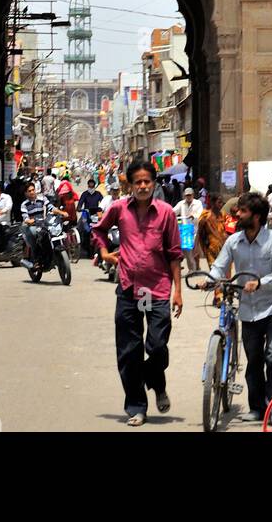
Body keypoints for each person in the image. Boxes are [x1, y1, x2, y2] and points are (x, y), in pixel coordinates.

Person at [92, 159, 183, 427]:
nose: (143, 186)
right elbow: (99, 230)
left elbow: (175, 254)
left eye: (147, 181)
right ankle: (137, 406)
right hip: (129, 290)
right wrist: (104, 252)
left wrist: (178, 291)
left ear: (153, 183)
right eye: (138, 182)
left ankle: (157, 381)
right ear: (130, 185)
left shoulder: (166, 213)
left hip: (157, 289)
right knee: (128, 352)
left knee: (156, 346)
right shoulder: (119, 209)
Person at [206, 191, 272, 422]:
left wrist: (261, 283)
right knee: (254, 361)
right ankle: (257, 408)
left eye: (243, 211)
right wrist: (210, 279)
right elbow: (220, 266)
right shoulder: (234, 241)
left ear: (257, 216)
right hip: (247, 311)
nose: (237, 214)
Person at [173, 187, 203, 272]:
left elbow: (200, 213)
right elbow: (174, 211)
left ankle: (196, 266)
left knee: (195, 250)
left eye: (190, 195)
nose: (188, 197)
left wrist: (194, 215)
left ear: (193, 195)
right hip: (185, 230)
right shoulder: (181, 203)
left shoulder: (198, 203)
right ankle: (192, 268)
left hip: (195, 229)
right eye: (187, 195)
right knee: (187, 249)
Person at [196, 195, 228, 269]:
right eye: (219, 202)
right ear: (212, 203)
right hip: (211, 249)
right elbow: (199, 232)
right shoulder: (205, 215)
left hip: (223, 248)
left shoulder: (223, 215)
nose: (221, 204)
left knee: (224, 272)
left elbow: (225, 231)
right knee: (214, 271)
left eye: (222, 203)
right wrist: (196, 248)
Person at [77, 178, 104, 255]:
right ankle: (84, 244)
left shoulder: (98, 194)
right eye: (90, 186)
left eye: (92, 186)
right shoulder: (84, 194)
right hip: (86, 213)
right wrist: (80, 208)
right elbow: (79, 204)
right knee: (85, 229)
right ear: (88, 186)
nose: (91, 188)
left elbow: (103, 202)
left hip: (96, 214)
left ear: (95, 186)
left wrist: (102, 209)